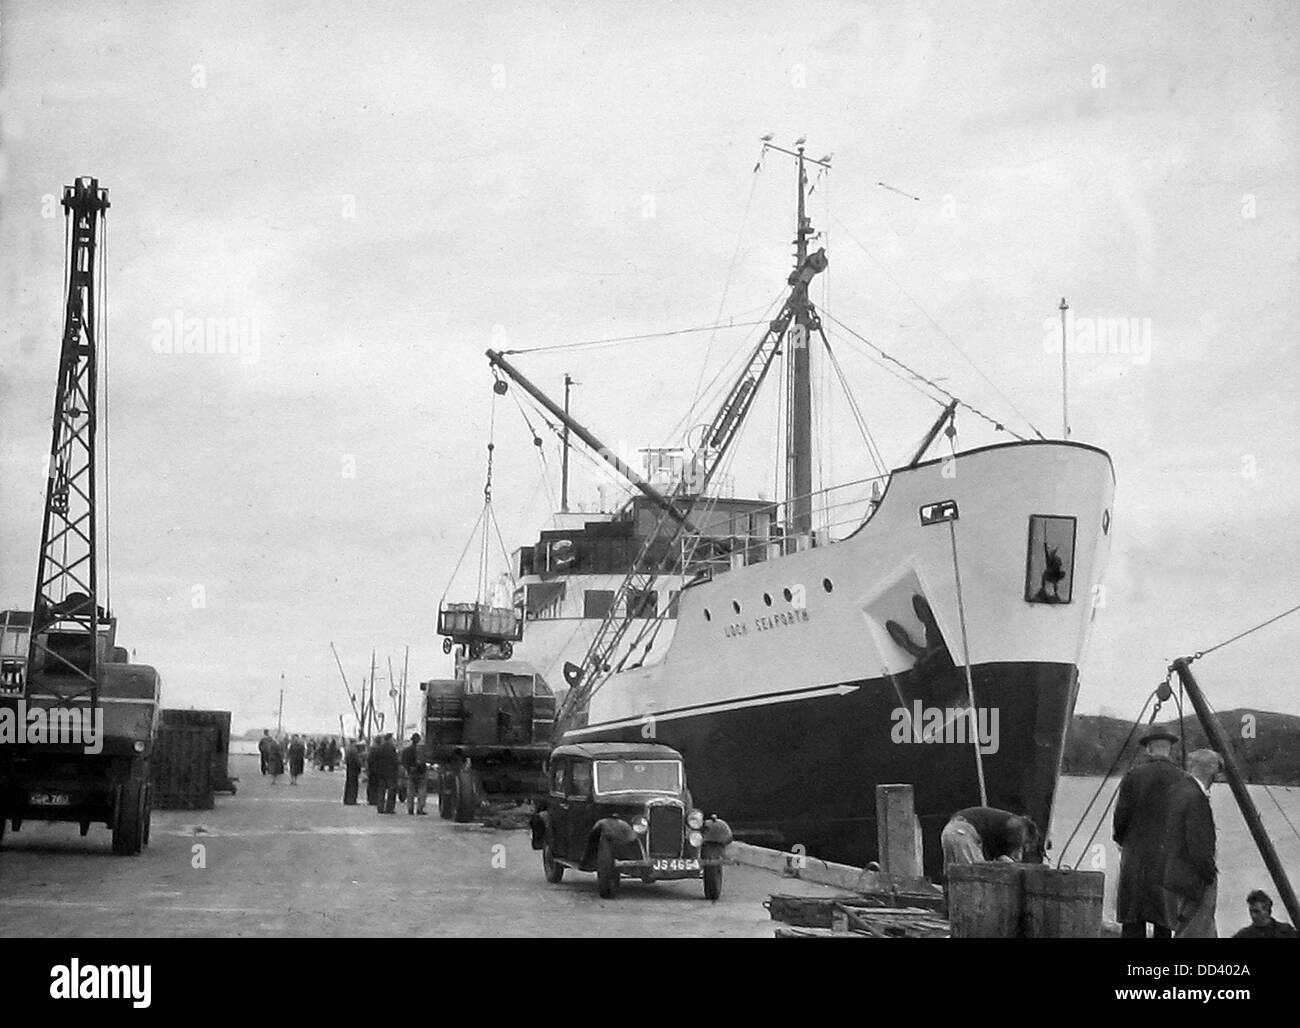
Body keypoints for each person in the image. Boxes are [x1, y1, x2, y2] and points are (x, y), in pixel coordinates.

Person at [1113, 727, 1184, 939]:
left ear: (1149, 749)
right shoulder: (1183, 778)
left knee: (1133, 915)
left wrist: (1120, 838)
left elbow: (1121, 814)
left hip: (1136, 855)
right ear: (1169, 749)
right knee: (1165, 918)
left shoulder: (1133, 776)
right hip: (1168, 856)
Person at [1165, 748, 1222, 939]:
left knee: (1192, 928)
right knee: (1196, 931)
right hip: (1194, 879)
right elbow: (1198, 847)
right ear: (1211, 769)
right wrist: (1209, 875)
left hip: (1174, 876)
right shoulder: (1196, 798)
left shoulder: (1177, 790)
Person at [940, 805, 1039, 870]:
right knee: (975, 874)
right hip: (964, 832)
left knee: (955, 875)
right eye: (1026, 843)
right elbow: (1016, 827)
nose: (1023, 849)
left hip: (953, 830)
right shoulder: (1020, 825)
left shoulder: (997, 831)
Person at [1231, 890, 1298, 939]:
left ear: (1267, 910)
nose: (1253, 915)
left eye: (1257, 912)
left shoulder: (1286, 932)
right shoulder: (1243, 936)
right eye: (1251, 911)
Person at [401, 733, 430, 815]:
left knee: (410, 791)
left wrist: (408, 768)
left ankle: (410, 809)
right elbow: (425, 760)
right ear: (419, 740)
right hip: (421, 772)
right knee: (422, 791)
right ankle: (420, 809)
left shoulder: (406, 750)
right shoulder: (422, 750)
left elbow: (403, 761)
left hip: (411, 773)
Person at [375, 733, 399, 814]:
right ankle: (389, 808)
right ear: (389, 739)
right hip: (390, 773)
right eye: (392, 739)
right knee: (391, 791)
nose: (393, 740)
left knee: (381, 790)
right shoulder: (392, 748)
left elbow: (377, 760)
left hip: (381, 772)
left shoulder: (380, 748)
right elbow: (395, 761)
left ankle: (380, 807)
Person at [343, 739, 361, 805]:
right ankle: (352, 800)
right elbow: (357, 760)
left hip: (349, 769)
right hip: (354, 770)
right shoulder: (354, 750)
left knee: (349, 784)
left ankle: (347, 799)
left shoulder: (348, 749)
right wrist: (359, 766)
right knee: (353, 785)